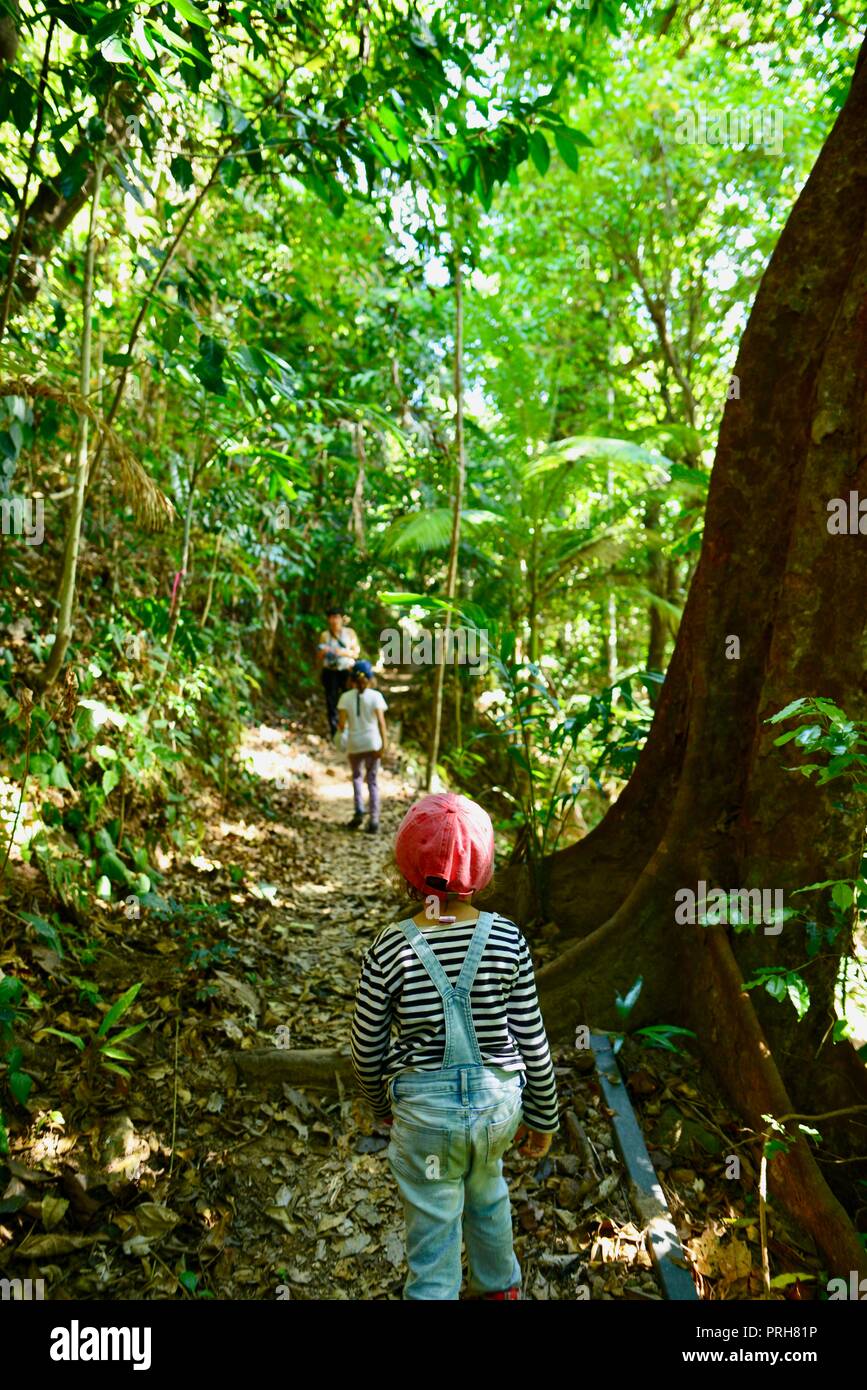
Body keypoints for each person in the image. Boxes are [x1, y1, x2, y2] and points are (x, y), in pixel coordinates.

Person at [350, 792, 559, 1300]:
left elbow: (366, 1047)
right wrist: (544, 1115)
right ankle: (499, 1288)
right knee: (488, 1191)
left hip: (425, 1117)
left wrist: (380, 1107)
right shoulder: (508, 940)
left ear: (406, 869)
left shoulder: (389, 947)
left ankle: (435, 1292)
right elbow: (531, 1036)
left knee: (434, 1217)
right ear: (483, 870)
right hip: (496, 1109)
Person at [337, 659, 388, 834]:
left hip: (354, 744)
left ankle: (359, 811)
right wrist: (385, 744)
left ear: (351, 679)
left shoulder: (345, 698)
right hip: (373, 743)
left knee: (357, 778)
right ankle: (374, 819)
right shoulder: (376, 697)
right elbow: (381, 723)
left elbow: (342, 725)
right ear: (370, 678)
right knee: (373, 781)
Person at [316, 608, 360, 735]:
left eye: (336, 617)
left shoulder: (350, 633)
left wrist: (340, 652)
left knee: (349, 699)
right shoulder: (325, 635)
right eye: (331, 617)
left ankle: (351, 728)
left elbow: (356, 653)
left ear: (342, 618)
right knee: (331, 701)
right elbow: (319, 656)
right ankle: (335, 731)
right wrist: (324, 652)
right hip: (330, 672)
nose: (334, 620)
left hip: (346, 671)